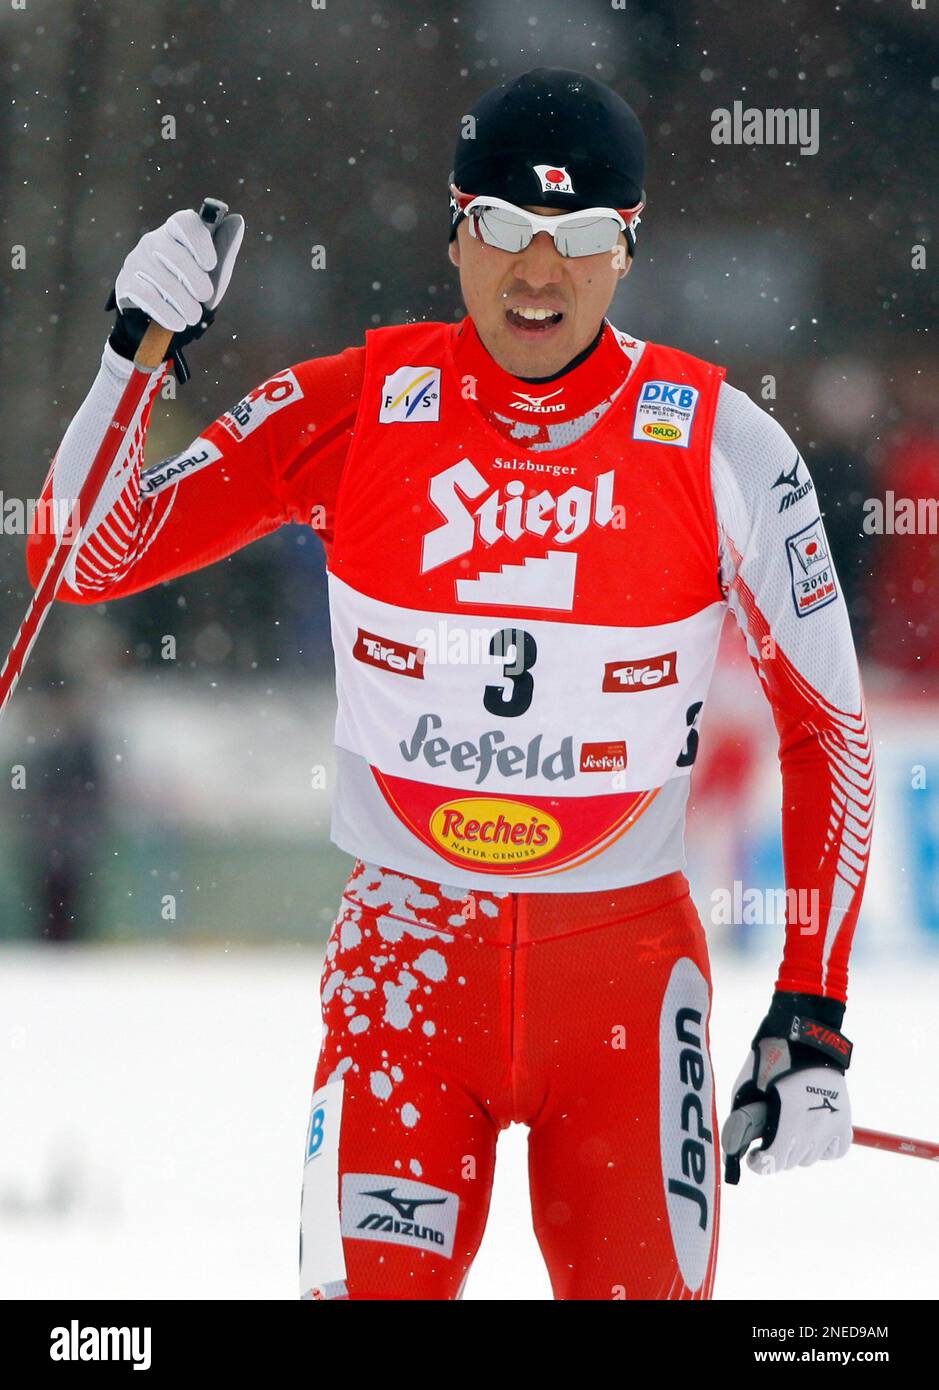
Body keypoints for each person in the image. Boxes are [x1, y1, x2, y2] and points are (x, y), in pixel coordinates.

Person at [27, 68, 874, 1301]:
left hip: (627, 993)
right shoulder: (356, 407)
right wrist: (129, 359)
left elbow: (829, 733)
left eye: (580, 238)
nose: (540, 273)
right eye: (504, 230)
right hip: (406, 982)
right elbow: (78, 558)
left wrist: (813, 1012)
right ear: (455, 229)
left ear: (629, 248)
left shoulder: (723, 441)